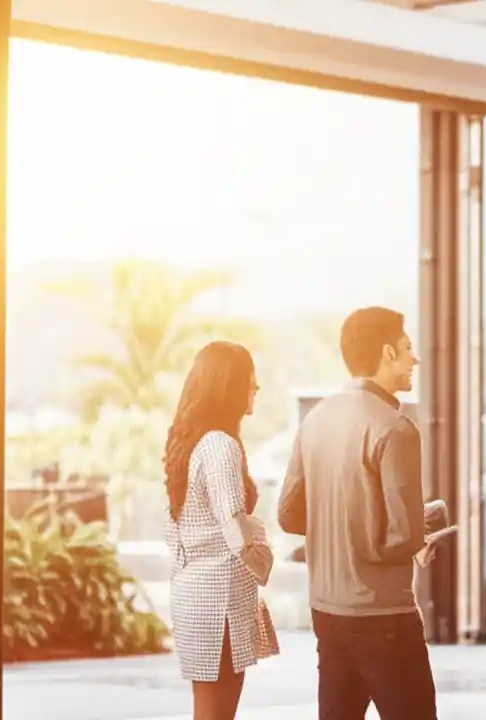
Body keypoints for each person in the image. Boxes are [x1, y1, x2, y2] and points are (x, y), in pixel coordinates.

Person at [277, 306, 440, 720]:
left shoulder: (315, 420)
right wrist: (422, 529)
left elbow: (289, 516)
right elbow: (403, 538)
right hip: (383, 615)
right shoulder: (395, 428)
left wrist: (343, 518)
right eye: (407, 348)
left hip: (327, 611)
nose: (414, 359)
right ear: (387, 353)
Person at [164, 341, 279, 720]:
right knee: (217, 714)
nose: (256, 388)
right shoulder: (221, 445)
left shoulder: (192, 444)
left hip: (193, 594)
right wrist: (264, 559)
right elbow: (235, 526)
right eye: (251, 379)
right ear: (230, 384)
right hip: (220, 605)